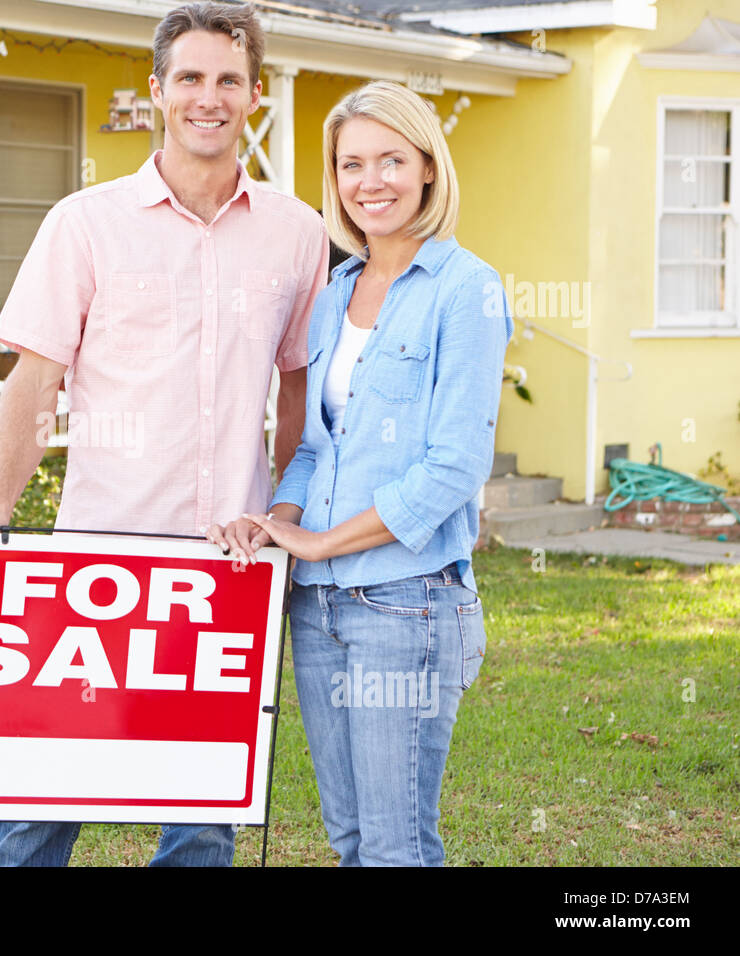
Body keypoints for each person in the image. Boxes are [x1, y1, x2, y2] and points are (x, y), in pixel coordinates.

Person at [0, 1, 329, 866]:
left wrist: (279, 508)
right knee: (39, 804)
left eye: (228, 80)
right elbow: (35, 377)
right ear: (157, 91)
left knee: (200, 818)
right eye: (189, 78)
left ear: (255, 94)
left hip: (227, 570)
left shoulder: (299, 233)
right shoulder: (86, 222)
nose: (209, 97)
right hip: (98, 563)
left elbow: (297, 383)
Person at [208, 80, 513, 866]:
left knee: (393, 848)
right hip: (319, 611)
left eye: (391, 160)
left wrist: (323, 543)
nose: (370, 181)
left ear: (428, 171)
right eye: (351, 164)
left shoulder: (465, 289)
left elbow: (455, 464)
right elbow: (315, 447)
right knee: (350, 841)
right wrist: (277, 519)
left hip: (405, 602)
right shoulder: (336, 292)